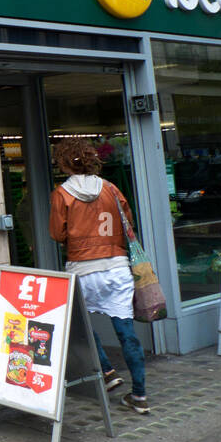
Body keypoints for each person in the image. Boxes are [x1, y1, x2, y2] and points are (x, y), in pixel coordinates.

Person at [48, 138, 150, 414]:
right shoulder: (111, 188)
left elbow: (57, 234)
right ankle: (139, 394)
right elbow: (127, 221)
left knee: (78, 323)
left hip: (83, 268)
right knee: (126, 333)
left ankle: (106, 370)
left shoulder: (62, 194)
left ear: (65, 162)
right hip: (116, 267)